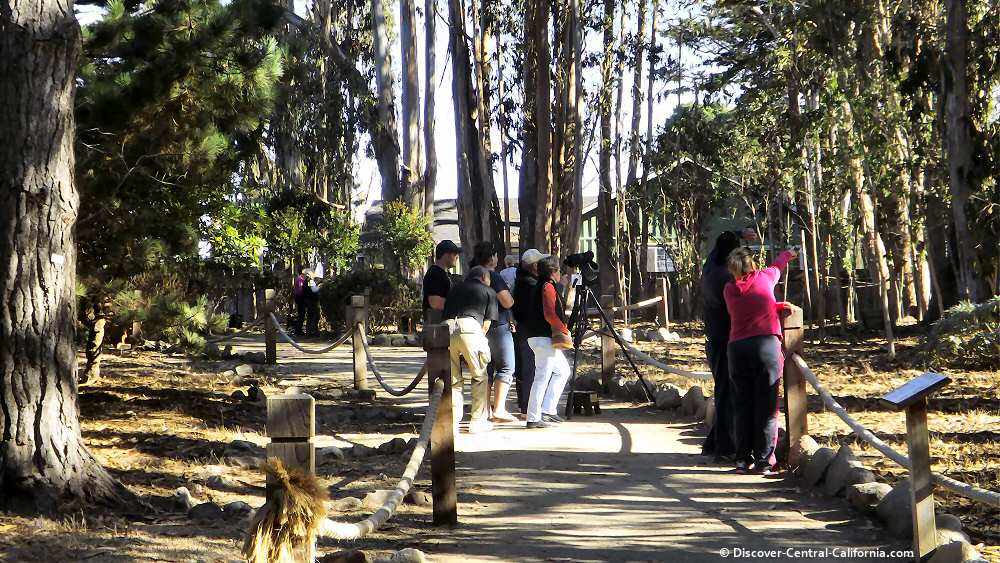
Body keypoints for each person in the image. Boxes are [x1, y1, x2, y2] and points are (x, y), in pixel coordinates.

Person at [723, 246, 797, 474]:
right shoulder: (766, 277)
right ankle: (765, 459)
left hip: (737, 349)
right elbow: (777, 265)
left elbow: (745, 308)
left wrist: (770, 307)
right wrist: (789, 253)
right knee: (766, 405)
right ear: (753, 264)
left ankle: (742, 460)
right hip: (765, 346)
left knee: (743, 405)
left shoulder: (729, 289)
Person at [700, 228, 755, 460]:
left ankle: (716, 443)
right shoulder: (724, 280)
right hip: (724, 341)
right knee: (726, 394)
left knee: (726, 392)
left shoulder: (711, 262)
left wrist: (740, 233)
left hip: (715, 339)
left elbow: (722, 240)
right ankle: (724, 447)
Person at [443, 266, 499, 434]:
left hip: (447, 328)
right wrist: (474, 347)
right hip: (471, 327)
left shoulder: (454, 288)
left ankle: (452, 422)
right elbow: (486, 325)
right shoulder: (488, 291)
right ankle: (477, 421)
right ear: (484, 278)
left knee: (453, 379)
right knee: (479, 376)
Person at [471, 242, 518, 423]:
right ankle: (499, 408)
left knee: (485, 369)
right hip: (498, 325)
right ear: (491, 258)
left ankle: (484, 410)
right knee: (506, 366)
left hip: (477, 325)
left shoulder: (472, 275)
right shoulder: (493, 276)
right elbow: (507, 302)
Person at [523, 255, 571, 429]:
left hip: (537, 337)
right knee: (542, 376)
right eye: (558, 271)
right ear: (553, 272)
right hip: (543, 337)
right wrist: (565, 330)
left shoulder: (538, 285)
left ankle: (548, 410)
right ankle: (534, 417)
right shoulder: (547, 287)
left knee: (563, 371)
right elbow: (550, 314)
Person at [511, 249, 545, 415]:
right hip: (528, 328)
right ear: (534, 266)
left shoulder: (522, 279)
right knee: (529, 366)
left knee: (525, 364)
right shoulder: (530, 284)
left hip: (523, 327)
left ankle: (524, 403)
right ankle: (527, 405)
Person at [423, 240, 461, 322]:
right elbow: (435, 303)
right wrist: (461, 304)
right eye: (454, 254)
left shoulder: (446, 274)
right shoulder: (434, 274)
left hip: (446, 324)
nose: (457, 257)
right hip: (437, 327)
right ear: (445, 255)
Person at [303, 270, 322, 336]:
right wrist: (319, 286)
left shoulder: (306, 281)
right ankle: (313, 330)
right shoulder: (310, 281)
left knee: (310, 315)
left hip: (308, 300)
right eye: (312, 273)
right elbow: (314, 290)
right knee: (315, 315)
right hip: (311, 301)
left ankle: (309, 331)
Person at [292, 269, 308, 335]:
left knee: (301, 314)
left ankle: (299, 329)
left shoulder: (300, 279)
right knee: (301, 314)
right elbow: (301, 289)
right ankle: (298, 330)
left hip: (299, 297)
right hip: (300, 298)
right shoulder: (300, 279)